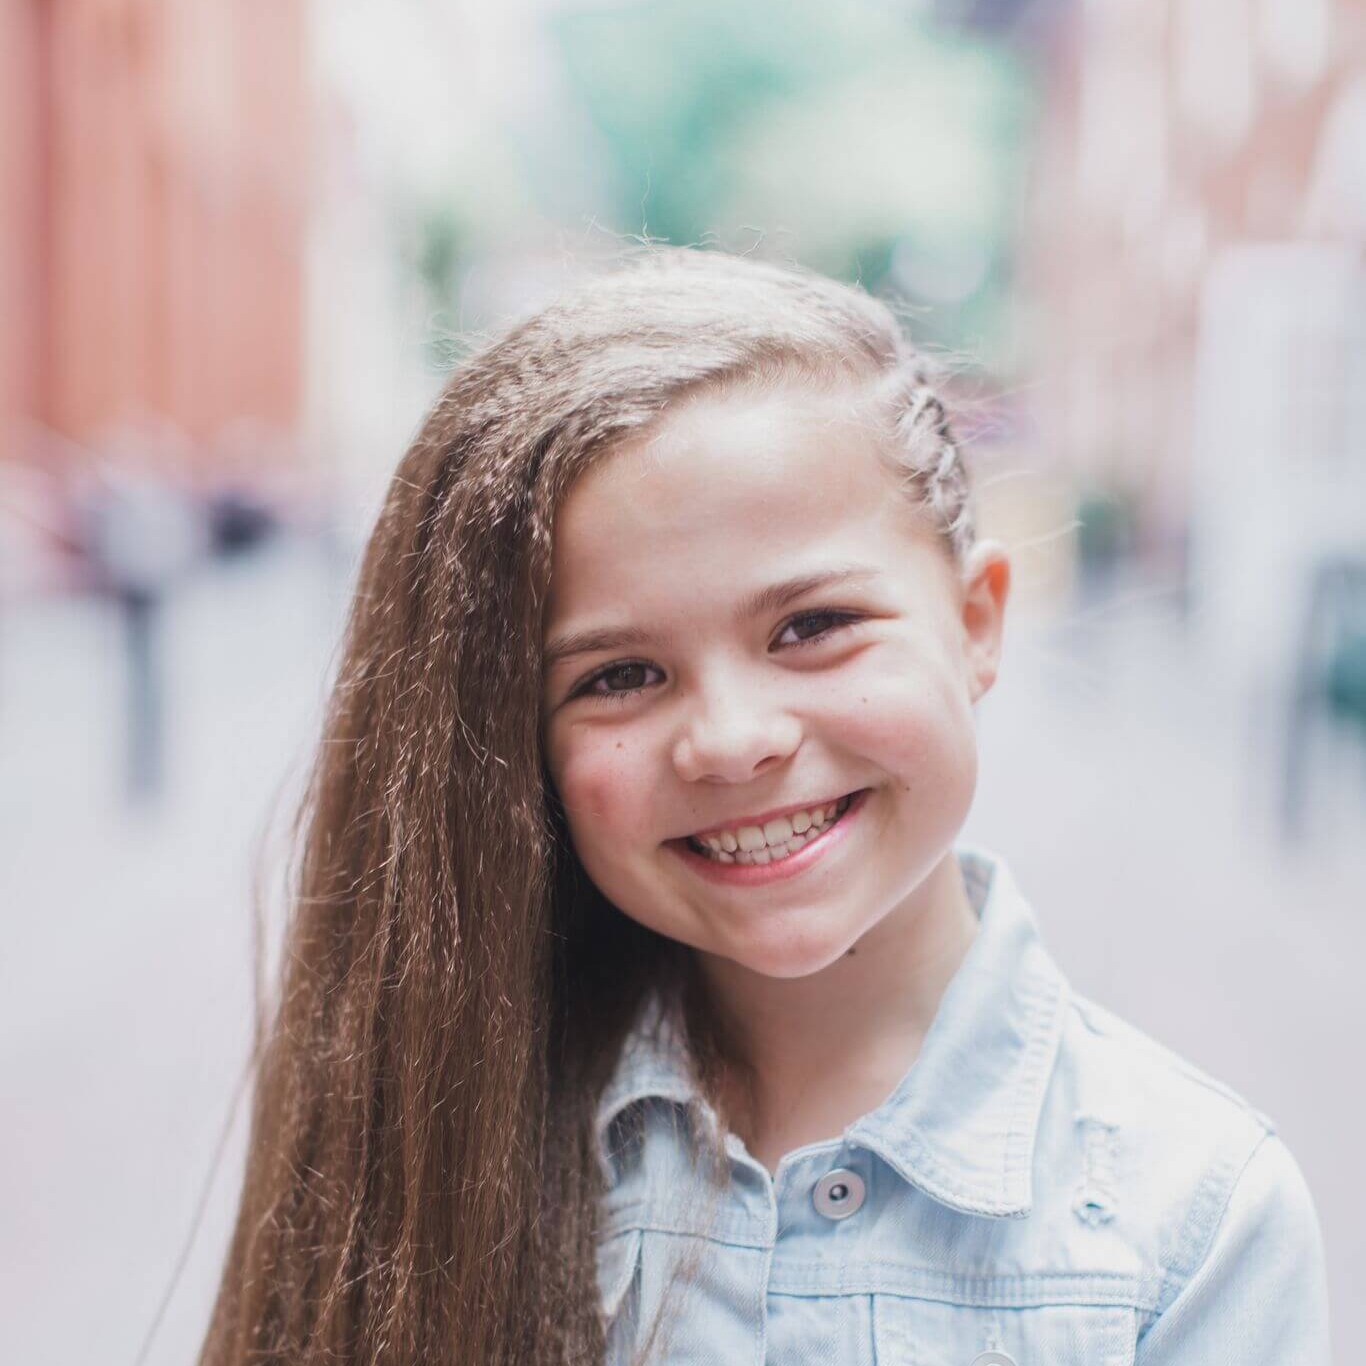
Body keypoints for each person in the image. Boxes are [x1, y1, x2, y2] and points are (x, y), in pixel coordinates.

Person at [198, 248, 1330, 1366]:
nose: (734, 740)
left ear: (977, 619)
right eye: (617, 675)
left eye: (812, 626)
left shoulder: (1194, 1219)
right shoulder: (434, 1131)